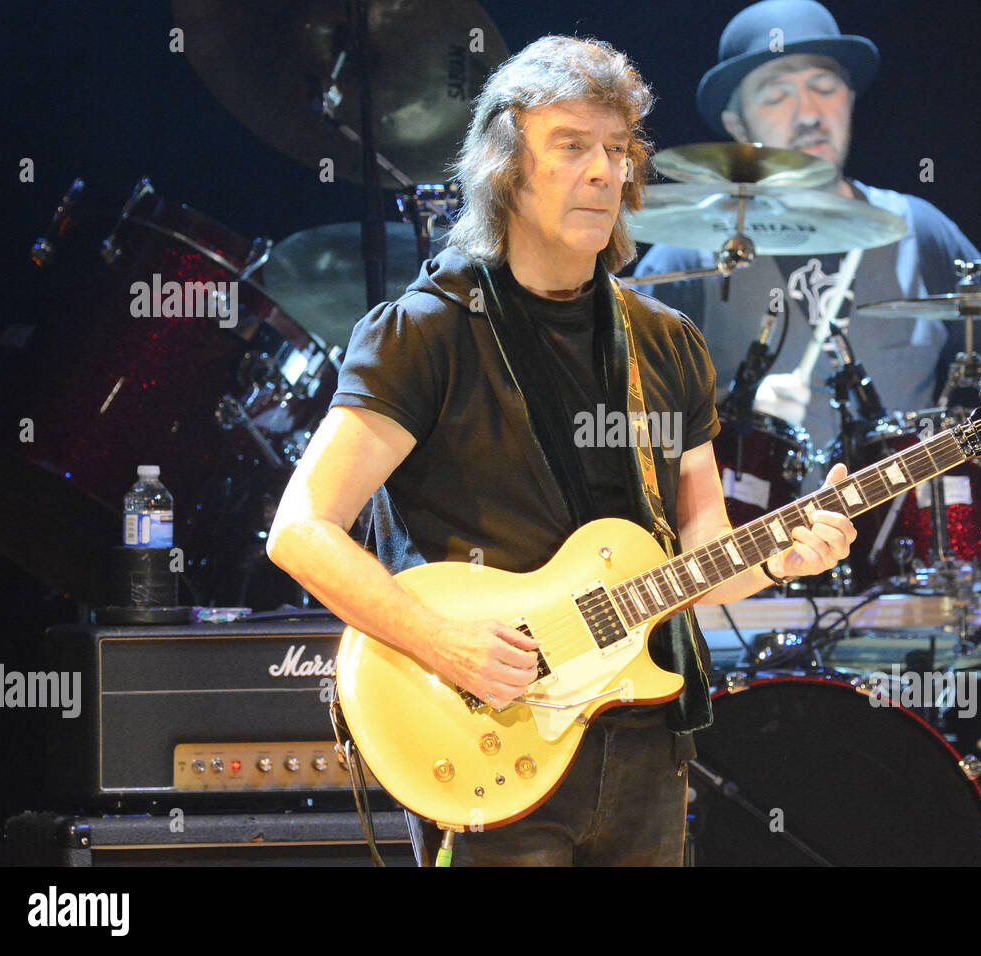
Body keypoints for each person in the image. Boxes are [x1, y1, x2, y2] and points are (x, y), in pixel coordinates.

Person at [266, 35, 856, 866]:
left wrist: (787, 559)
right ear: (506, 169)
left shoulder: (667, 343)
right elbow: (301, 530)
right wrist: (446, 643)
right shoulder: (425, 333)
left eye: (616, 150)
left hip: (645, 742)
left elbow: (706, 556)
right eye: (572, 146)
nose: (605, 172)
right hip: (486, 735)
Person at [634, 0, 981, 454]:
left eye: (825, 87)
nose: (809, 113)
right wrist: (728, 419)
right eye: (776, 95)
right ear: (738, 126)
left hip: (902, 535)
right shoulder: (688, 252)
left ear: (850, 99)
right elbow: (630, 425)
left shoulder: (916, 228)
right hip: (754, 541)